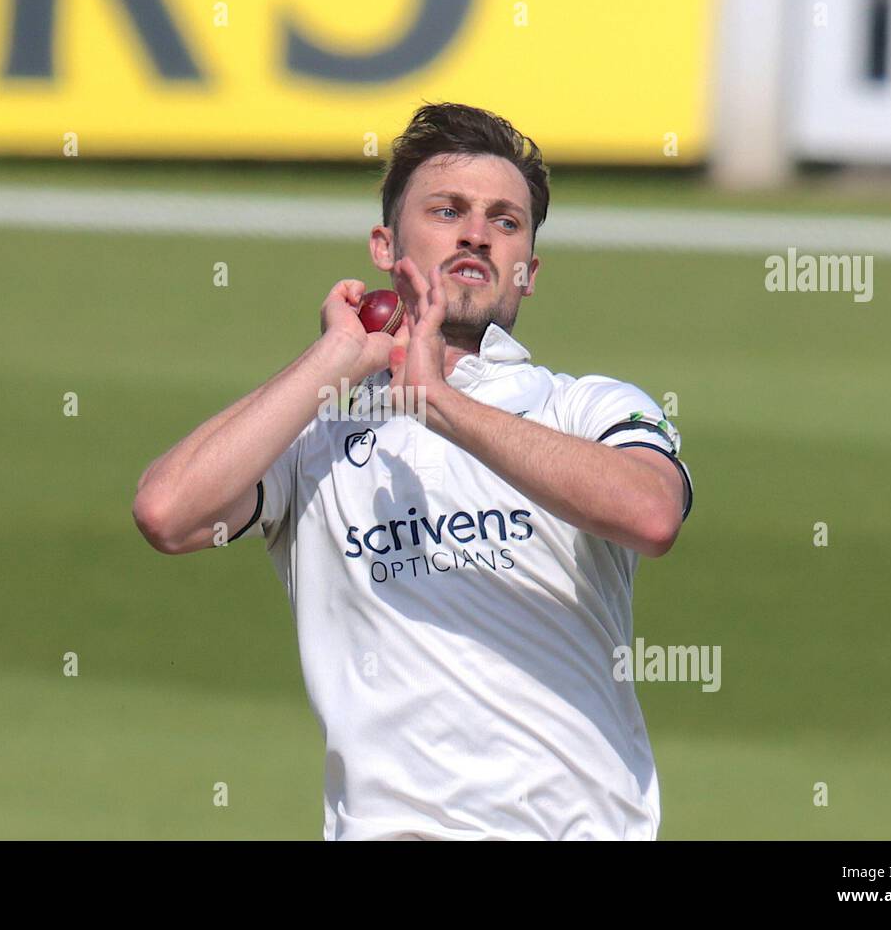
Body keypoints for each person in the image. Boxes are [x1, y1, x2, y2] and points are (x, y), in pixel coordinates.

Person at [133, 102, 693, 840]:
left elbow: (650, 514)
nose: (475, 233)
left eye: (505, 221)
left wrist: (438, 405)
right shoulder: (316, 433)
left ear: (529, 270)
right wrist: (332, 362)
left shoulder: (583, 406)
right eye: (448, 210)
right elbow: (166, 511)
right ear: (384, 244)